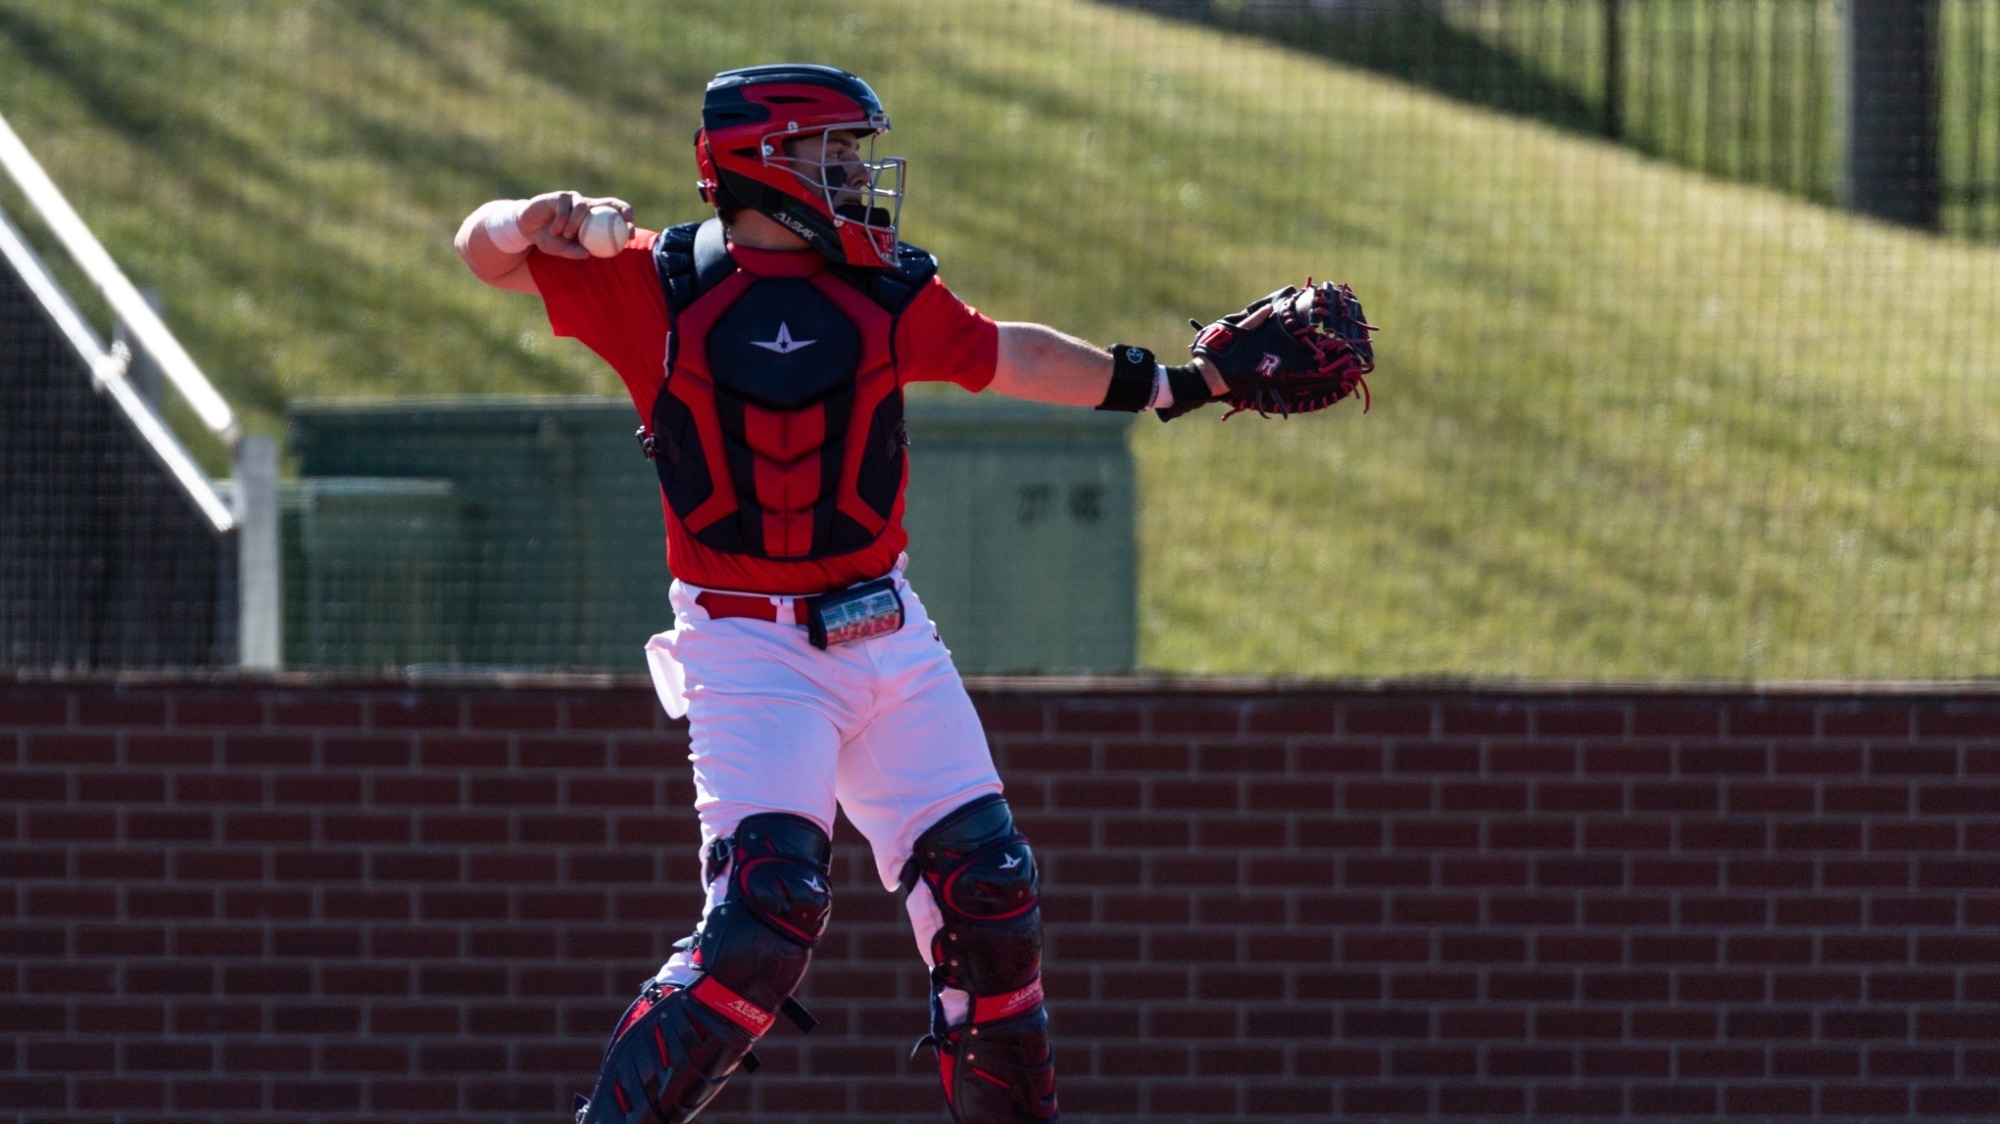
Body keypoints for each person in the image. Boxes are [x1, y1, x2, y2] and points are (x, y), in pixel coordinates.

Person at [456, 63, 1234, 1124]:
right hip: (747, 653)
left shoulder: (882, 287)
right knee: (759, 925)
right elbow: (479, 254)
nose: (860, 175)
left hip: (888, 631)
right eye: (834, 155)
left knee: (991, 901)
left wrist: (1175, 383)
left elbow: (1011, 354)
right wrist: (525, 215)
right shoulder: (657, 282)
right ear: (759, 167)